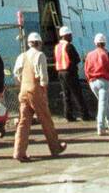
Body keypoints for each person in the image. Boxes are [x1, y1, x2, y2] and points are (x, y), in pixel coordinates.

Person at [13, 31, 68, 162]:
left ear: (28, 43)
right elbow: (43, 77)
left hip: (23, 90)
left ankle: (18, 152)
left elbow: (16, 74)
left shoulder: (22, 56)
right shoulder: (40, 55)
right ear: (39, 43)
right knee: (46, 120)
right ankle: (55, 147)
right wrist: (44, 92)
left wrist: (23, 84)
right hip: (35, 89)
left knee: (23, 122)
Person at [53, 26, 92, 122]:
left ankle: (68, 115)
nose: (71, 37)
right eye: (70, 35)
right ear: (66, 36)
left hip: (60, 72)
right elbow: (77, 59)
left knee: (66, 94)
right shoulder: (69, 46)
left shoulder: (57, 46)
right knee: (77, 94)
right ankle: (85, 115)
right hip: (70, 72)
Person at [85, 33, 109, 135]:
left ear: (95, 43)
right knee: (102, 104)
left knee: (104, 103)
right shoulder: (106, 54)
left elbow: (86, 69)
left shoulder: (89, 54)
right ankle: (100, 127)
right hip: (103, 81)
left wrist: (89, 80)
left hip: (92, 82)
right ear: (104, 43)